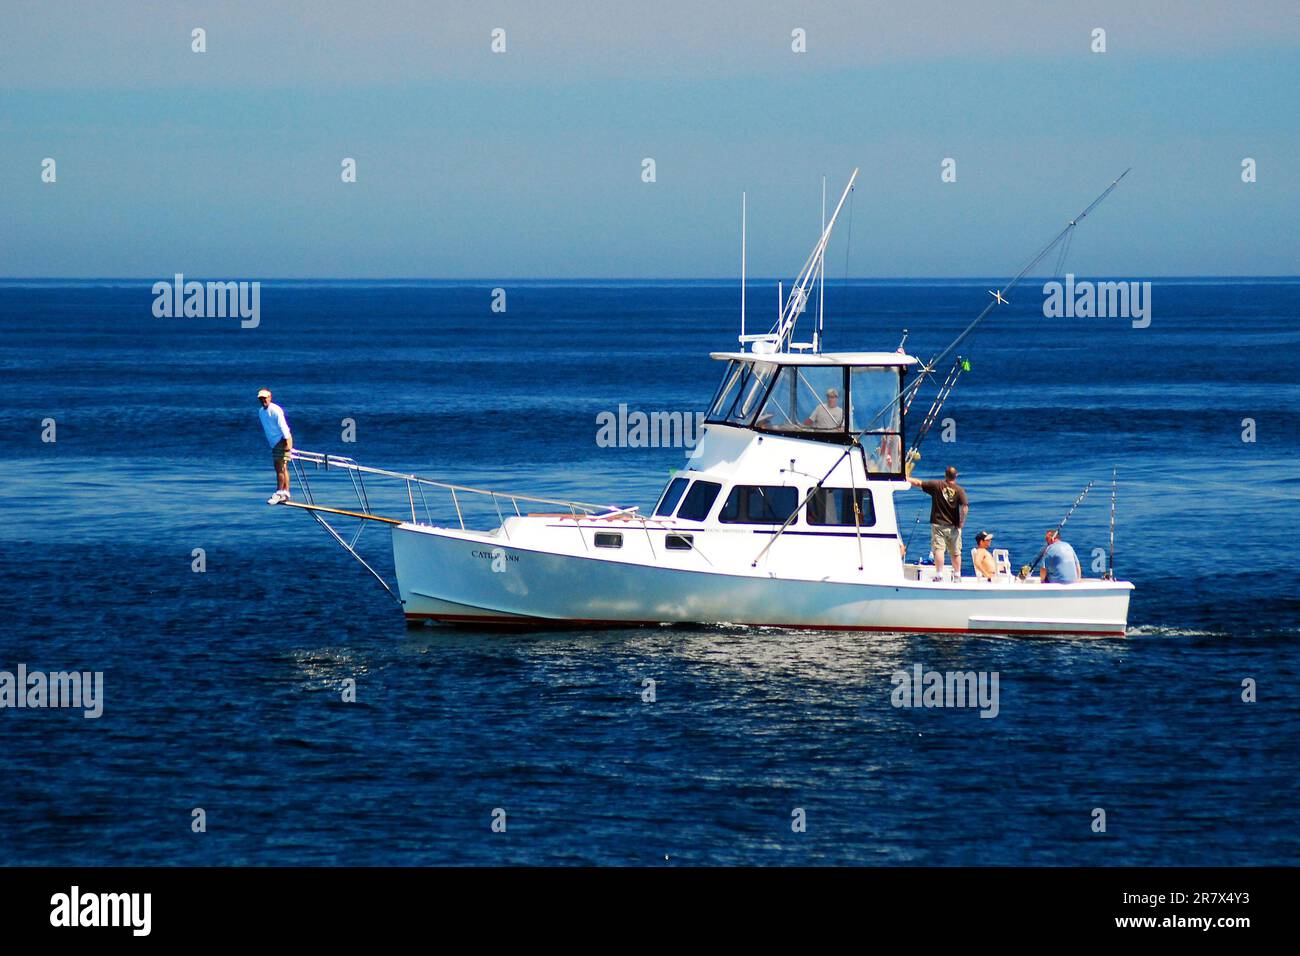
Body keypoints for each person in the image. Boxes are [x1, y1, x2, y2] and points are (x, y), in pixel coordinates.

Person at [906, 465, 969, 580]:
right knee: (955, 552)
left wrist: (905, 478)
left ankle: (939, 575)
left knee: (939, 550)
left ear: (945, 475)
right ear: (956, 476)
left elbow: (918, 483)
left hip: (939, 524)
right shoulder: (960, 490)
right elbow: (965, 507)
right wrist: (961, 522)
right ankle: (957, 575)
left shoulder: (936, 485)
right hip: (954, 526)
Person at [257, 388, 293, 504]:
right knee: (280, 468)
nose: (263, 400)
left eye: (265, 398)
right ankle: (285, 493)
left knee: (281, 468)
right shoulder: (261, 412)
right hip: (274, 443)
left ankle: (280, 492)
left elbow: (283, 426)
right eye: (261, 399)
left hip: (282, 440)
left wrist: (288, 443)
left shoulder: (276, 410)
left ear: (270, 397)